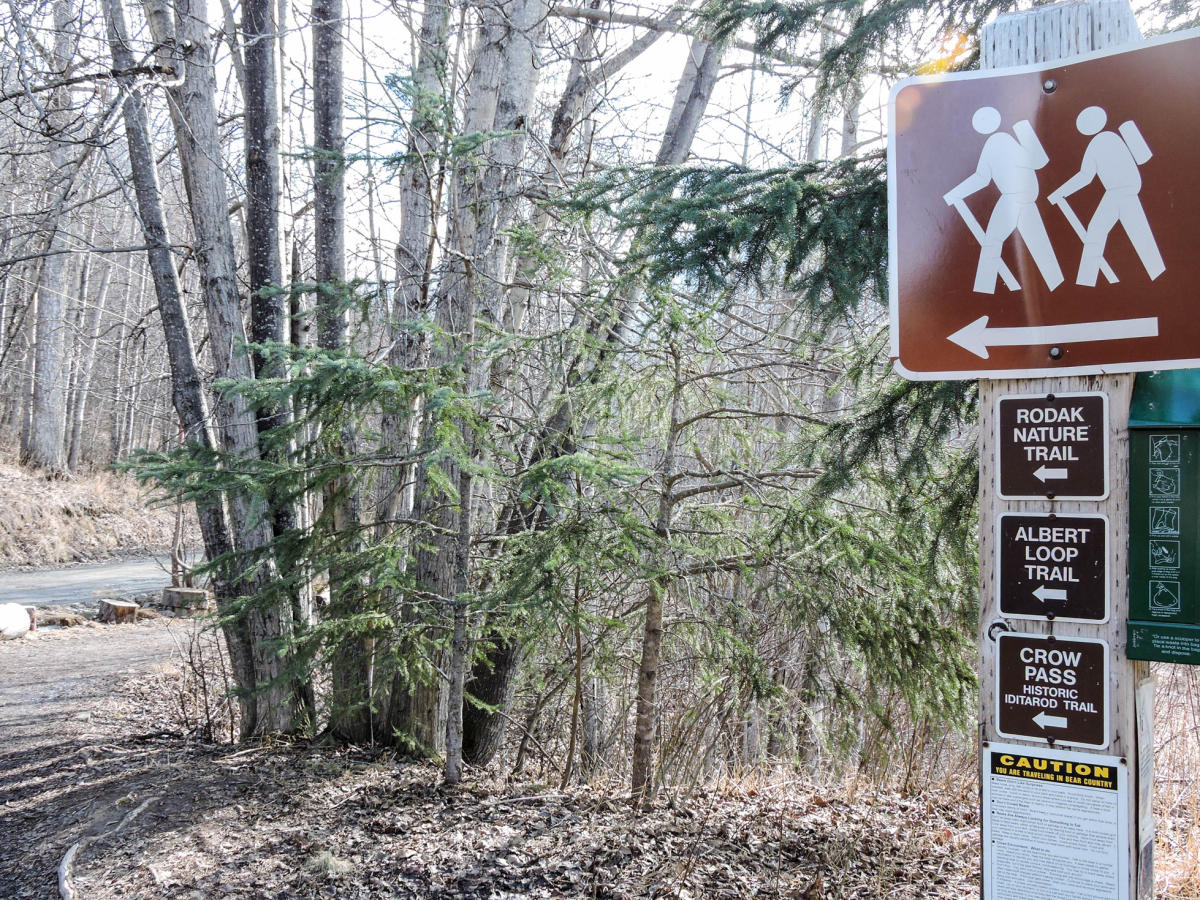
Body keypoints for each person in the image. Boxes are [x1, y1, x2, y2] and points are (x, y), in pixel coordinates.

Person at [944, 106, 1064, 294]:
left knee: (997, 242)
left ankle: (985, 290)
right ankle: (1056, 286)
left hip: (1018, 201)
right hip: (1015, 200)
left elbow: (1038, 161)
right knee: (1019, 243)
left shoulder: (1001, 141)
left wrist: (1025, 130)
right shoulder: (998, 141)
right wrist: (955, 194)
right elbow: (982, 177)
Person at [1047, 106, 1165, 287]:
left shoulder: (1099, 142)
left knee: (1119, 232)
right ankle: (1087, 282)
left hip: (1120, 194)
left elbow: (1085, 176)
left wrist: (1060, 192)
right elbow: (1086, 176)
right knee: (1113, 231)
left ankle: (1087, 282)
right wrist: (1060, 192)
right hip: (1120, 193)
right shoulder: (1110, 138)